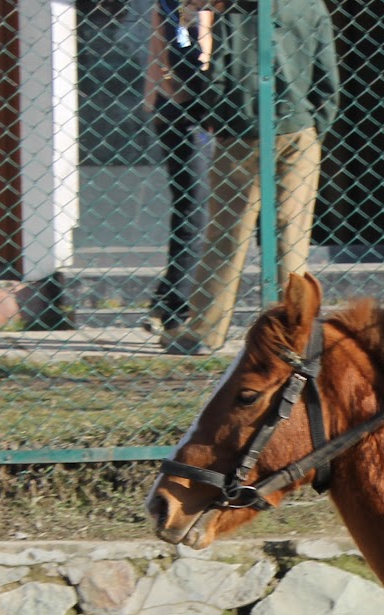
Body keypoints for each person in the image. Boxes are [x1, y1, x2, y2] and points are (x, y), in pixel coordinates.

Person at [161, 0, 340, 355]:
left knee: (226, 236)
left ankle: (204, 332)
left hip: (243, 129)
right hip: (298, 128)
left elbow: (220, 70)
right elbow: (327, 76)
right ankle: (292, 334)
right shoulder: (310, 6)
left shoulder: (237, 10)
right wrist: (315, 125)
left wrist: (218, 117)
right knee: (292, 236)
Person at [143, 0, 211, 338]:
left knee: (196, 208)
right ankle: (175, 306)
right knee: (196, 209)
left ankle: (168, 299)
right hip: (188, 115)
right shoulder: (182, 7)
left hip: (191, 112)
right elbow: (178, 53)